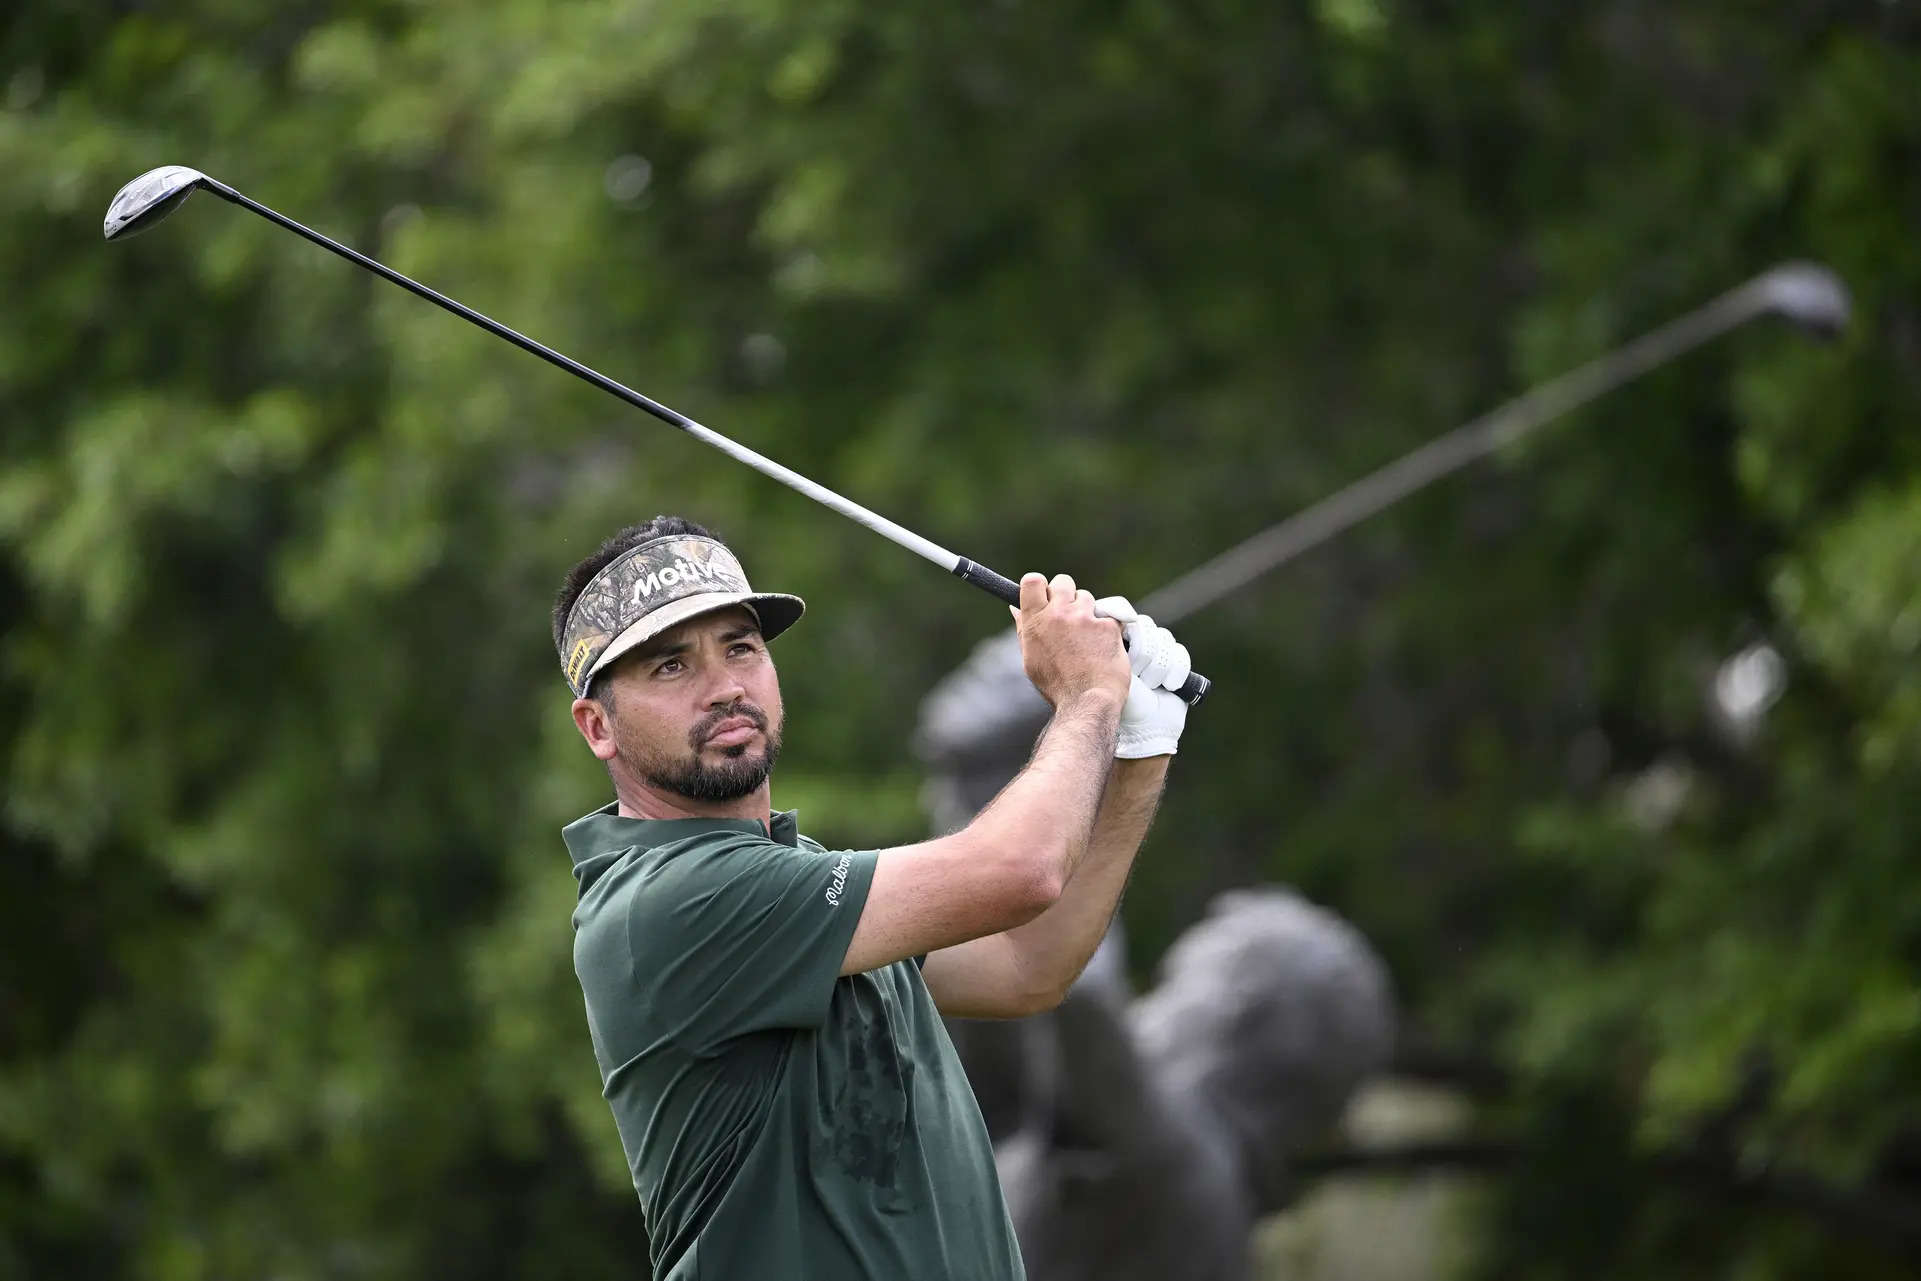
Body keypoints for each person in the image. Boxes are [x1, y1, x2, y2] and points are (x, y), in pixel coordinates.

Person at [552, 514, 1193, 1280]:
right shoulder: (667, 900)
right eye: (669, 667)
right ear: (598, 726)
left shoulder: (806, 882)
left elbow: (1029, 965)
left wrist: (1138, 750)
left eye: (741, 647)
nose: (724, 687)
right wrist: (1087, 698)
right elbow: (1021, 868)